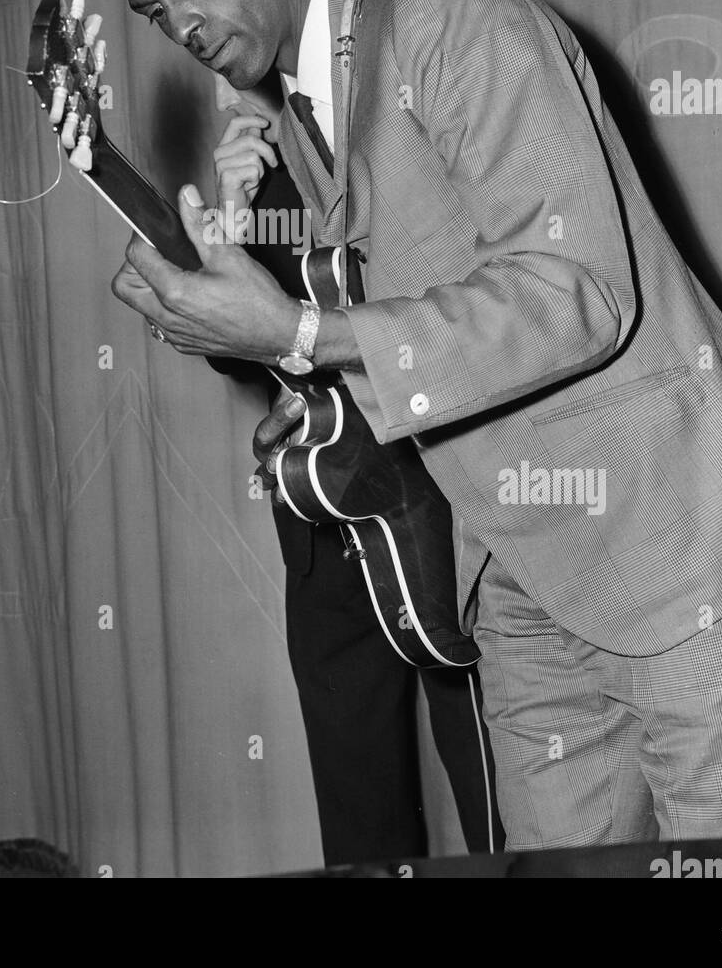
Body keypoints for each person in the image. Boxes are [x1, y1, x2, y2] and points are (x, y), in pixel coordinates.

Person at [83, 0, 722, 849]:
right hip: (520, 586)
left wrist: (298, 329)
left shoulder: (451, 17)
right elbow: (411, 326)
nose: (180, 25)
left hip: (680, 554)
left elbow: (575, 291)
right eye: (151, 10)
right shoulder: (307, 101)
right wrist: (237, 323)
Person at [210, 70, 499, 863]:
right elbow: (236, 359)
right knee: (355, 802)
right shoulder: (253, 176)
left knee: (493, 782)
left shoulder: (385, 135)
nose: (226, 87)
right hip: (322, 517)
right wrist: (229, 227)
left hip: (433, 502)